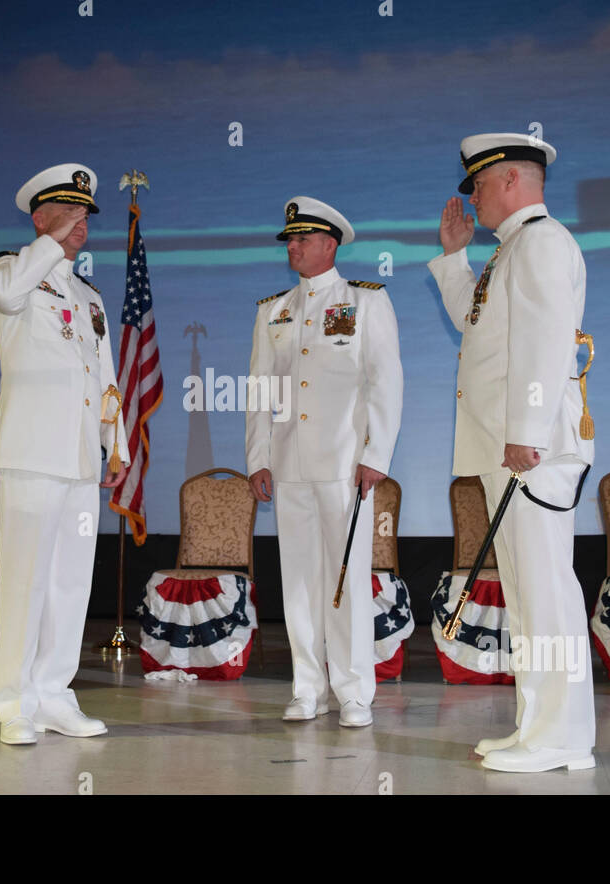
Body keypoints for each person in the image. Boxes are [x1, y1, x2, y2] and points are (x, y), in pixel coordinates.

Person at [428, 133, 596, 773]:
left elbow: (549, 343)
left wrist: (526, 427)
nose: (471, 196)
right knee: (526, 594)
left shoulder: (544, 243)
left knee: (547, 592)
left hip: (533, 450)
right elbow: (482, 336)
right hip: (513, 448)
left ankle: (562, 736)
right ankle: (537, 726)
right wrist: (453, 260)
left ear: (508, 182)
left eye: (477, 184)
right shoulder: (510, 252)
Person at [245, 196, 403, 728]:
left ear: (330, 244)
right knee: (301, 582)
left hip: (345, 463)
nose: (293, 246)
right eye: (289, 240)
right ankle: (307, 687)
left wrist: (376, 453)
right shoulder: (274, 309)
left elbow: (385, 381)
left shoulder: (364, 302)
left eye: (303, 239)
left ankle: (354, 690)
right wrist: (258, 458)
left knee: (348, 579)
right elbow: (262, 391)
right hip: (289, 465)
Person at [0, 163, 128, 745]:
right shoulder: (12, 274)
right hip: (30, 450)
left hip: (78, 458)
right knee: (24, 580)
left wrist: (113, 446)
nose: (80, 223)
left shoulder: (88, 294)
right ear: (40, 219)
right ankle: (14, 704)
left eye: (86, 214)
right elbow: (6, 292)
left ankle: (53, 695)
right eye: (68, 213)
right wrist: (44, 243)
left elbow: (106, 376)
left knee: (71, 582)